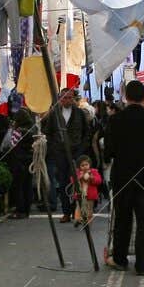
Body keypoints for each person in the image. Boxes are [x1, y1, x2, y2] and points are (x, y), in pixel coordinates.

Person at [103, 79, 144, 274]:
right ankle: (142, 264)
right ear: (143, 96)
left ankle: (120, 259)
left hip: (122, 177)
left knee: (123, 220)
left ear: (126, 96)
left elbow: (108, 152)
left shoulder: (115, 120)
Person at [41, 88, 93, 221]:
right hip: (60, 153)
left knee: (76, 182)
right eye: (64, 98)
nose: (67, 100)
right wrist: (54, 147)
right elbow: (47, 131)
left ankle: (77, 211)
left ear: (73, 98)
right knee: (63, 182)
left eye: (69, 98)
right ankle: (66, 212)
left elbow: (86, 133)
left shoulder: (80, 113)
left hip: (76, 152)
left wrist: (81, 149)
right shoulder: (54, 114)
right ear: (60, 99)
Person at [1, 108, 39, 219]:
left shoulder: (18, 131)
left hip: (18, 161)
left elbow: (11, 145)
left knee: (18, 186)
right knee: (27, 185)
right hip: (29, 160)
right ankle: (27, 209)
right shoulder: (33, 129)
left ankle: (20, 210)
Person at [72, 156, 102, 228]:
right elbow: (72, 180)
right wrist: (80, 177)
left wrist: (92, 178)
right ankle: (77, 219)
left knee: (89, 210)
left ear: (89, 164)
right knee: (78, 207)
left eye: (86, 164)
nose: (85, 167)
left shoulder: (93, 172)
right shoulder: (78, 172)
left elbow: (99, 181)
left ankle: (88, 223)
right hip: (80, 194)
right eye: (82, 165)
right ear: (79, 166)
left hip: (90, 196)